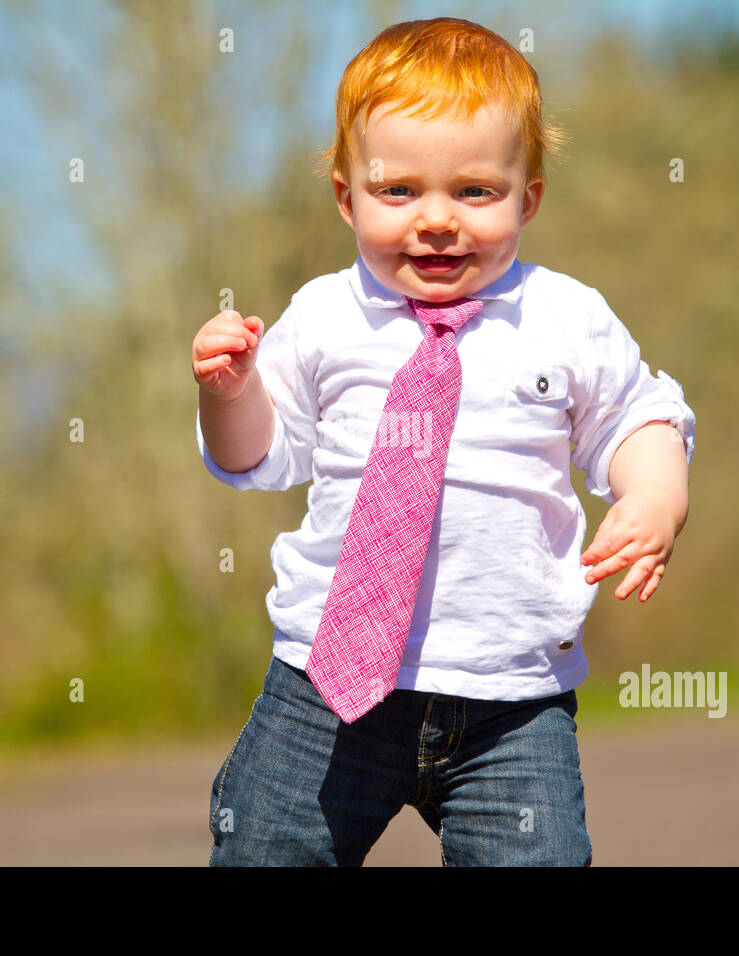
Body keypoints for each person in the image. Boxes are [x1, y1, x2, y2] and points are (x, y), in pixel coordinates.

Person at [191, 16, 695, 866]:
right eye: (398, 193)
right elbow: (257, 455)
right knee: (266, 850)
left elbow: (636, 419)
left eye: (475, 192)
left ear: (526, 197)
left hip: (511, 697)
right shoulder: (325, 316)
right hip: (326, 682)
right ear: (347, 197)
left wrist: (654, 496)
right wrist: (231, 392)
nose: (436, 220)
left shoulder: (564, 318)